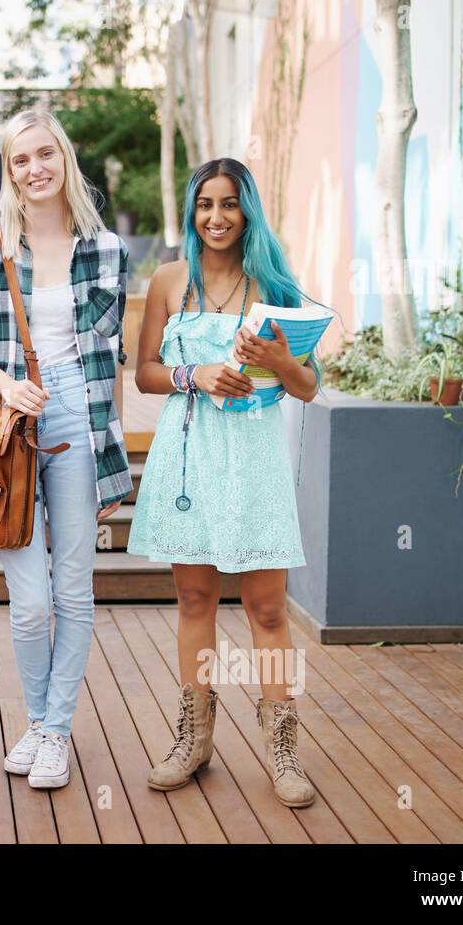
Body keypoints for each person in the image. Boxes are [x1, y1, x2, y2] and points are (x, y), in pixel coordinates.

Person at [127, 157, 319, 808]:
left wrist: (279, 359)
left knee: (266, 607)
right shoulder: (169, 280)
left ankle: (283, 747)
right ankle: (195, 737)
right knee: (194, 600)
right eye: (205, 203)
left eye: (229, 203)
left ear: (247, 211)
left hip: (255, 460)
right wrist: (197, 374)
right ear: (192, 210)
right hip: (190, 458)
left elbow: (309, 386)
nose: (216, 216)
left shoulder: (274, 285)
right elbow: (147, 372)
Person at [0, 110, 132, 789]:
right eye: (19, 159)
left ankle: (54, 730)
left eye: (44, 155)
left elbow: (108, 361)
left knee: (75, 589)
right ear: (9, 169)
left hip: (83, 423)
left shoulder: (107, 248)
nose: (34, 169)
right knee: (29, 598)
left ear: (63, 158)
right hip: (9, 426)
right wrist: (8, 386)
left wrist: (109, 465)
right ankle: (37, 718)